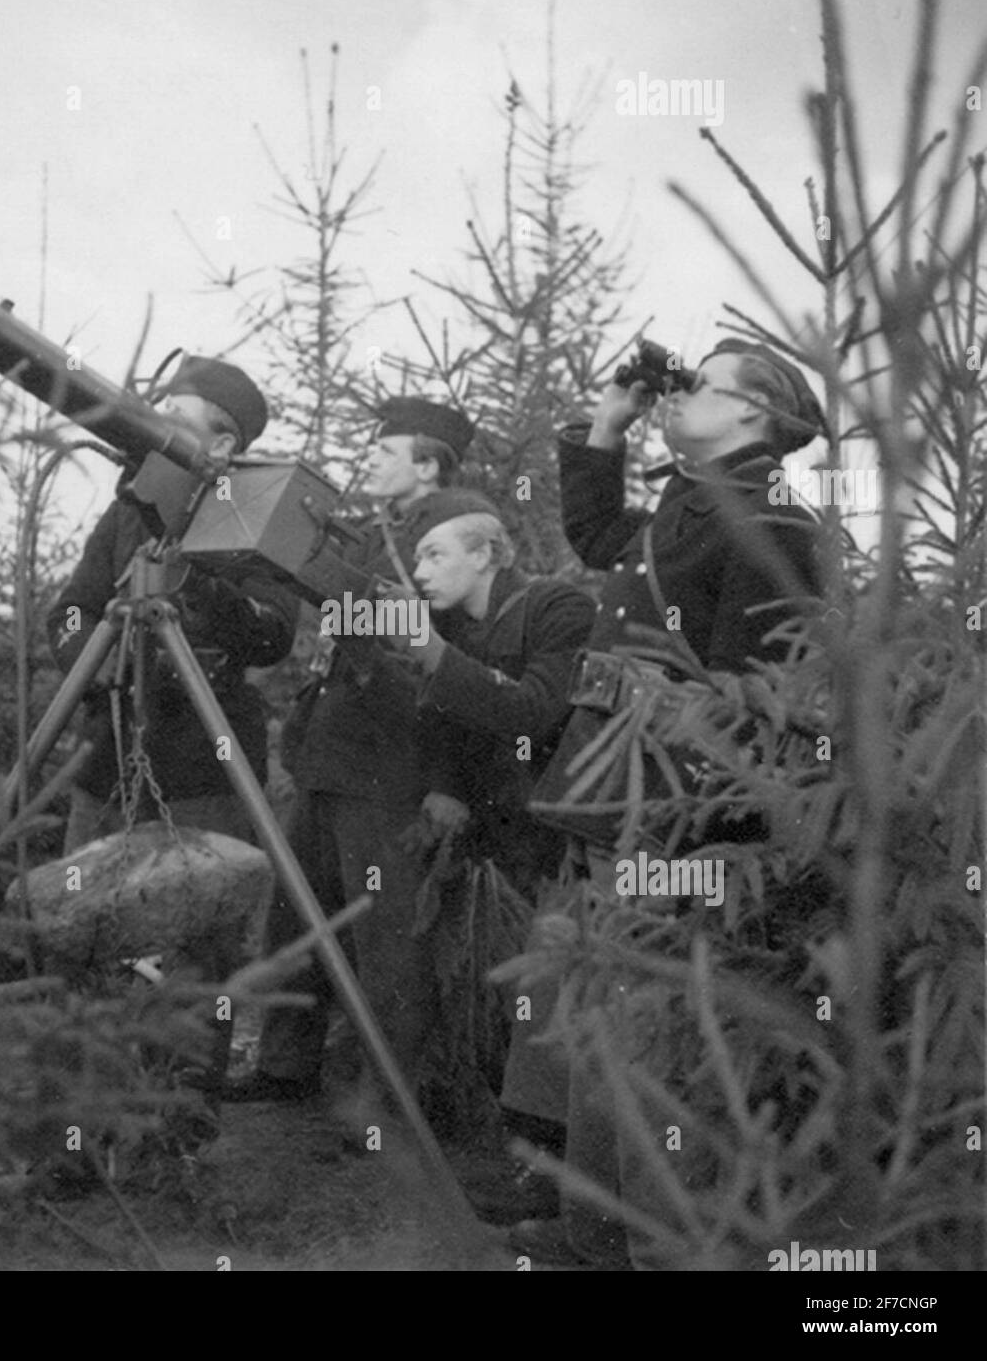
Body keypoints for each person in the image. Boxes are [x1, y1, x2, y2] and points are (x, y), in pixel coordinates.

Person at [512, 338, 827, 1267]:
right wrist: (608, 425)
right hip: (623, 794)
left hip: (683, 814)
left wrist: (685, 828)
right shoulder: (699, 502)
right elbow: (604, 539)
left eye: (698, 385)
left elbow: (757, 699)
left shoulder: (774, 518)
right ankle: (593, 1232)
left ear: (754, 415)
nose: (676, 397)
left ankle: (655, 1247)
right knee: (603, 1005)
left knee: (652, 1031)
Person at [222, 397, 477, 1108]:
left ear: (427, 465)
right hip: (331, 752)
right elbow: (342, 616)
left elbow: (449, 654)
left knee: (385, 937)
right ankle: (283, 1063)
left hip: (394, 760)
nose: (368, 460)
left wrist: (448, 778)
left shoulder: (456, 532)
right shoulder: (375, 533)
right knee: (298, 914)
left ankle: (386, 1094)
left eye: (385, 451)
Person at [377, 496, 596, 1162]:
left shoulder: (558, 607)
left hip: (553, 835)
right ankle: (492, 1130)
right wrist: (445, 783)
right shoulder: (451, 625)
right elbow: (441, 722)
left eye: (436, 553)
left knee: (548, 994)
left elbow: (533, 709)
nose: (420, 569)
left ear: (486, 553)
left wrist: (433, 654)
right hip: (491, 836)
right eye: (415, 556)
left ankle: (545, 1155)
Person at [47, 354, 299, 854]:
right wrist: (96, 665)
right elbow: (72, 610)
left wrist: (199, 587)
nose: (155, 429)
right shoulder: (129, 509)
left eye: (176, 420)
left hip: (202, 773)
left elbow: (272, 634)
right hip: (105, 768)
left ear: (222, 444)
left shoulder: (257, 517)